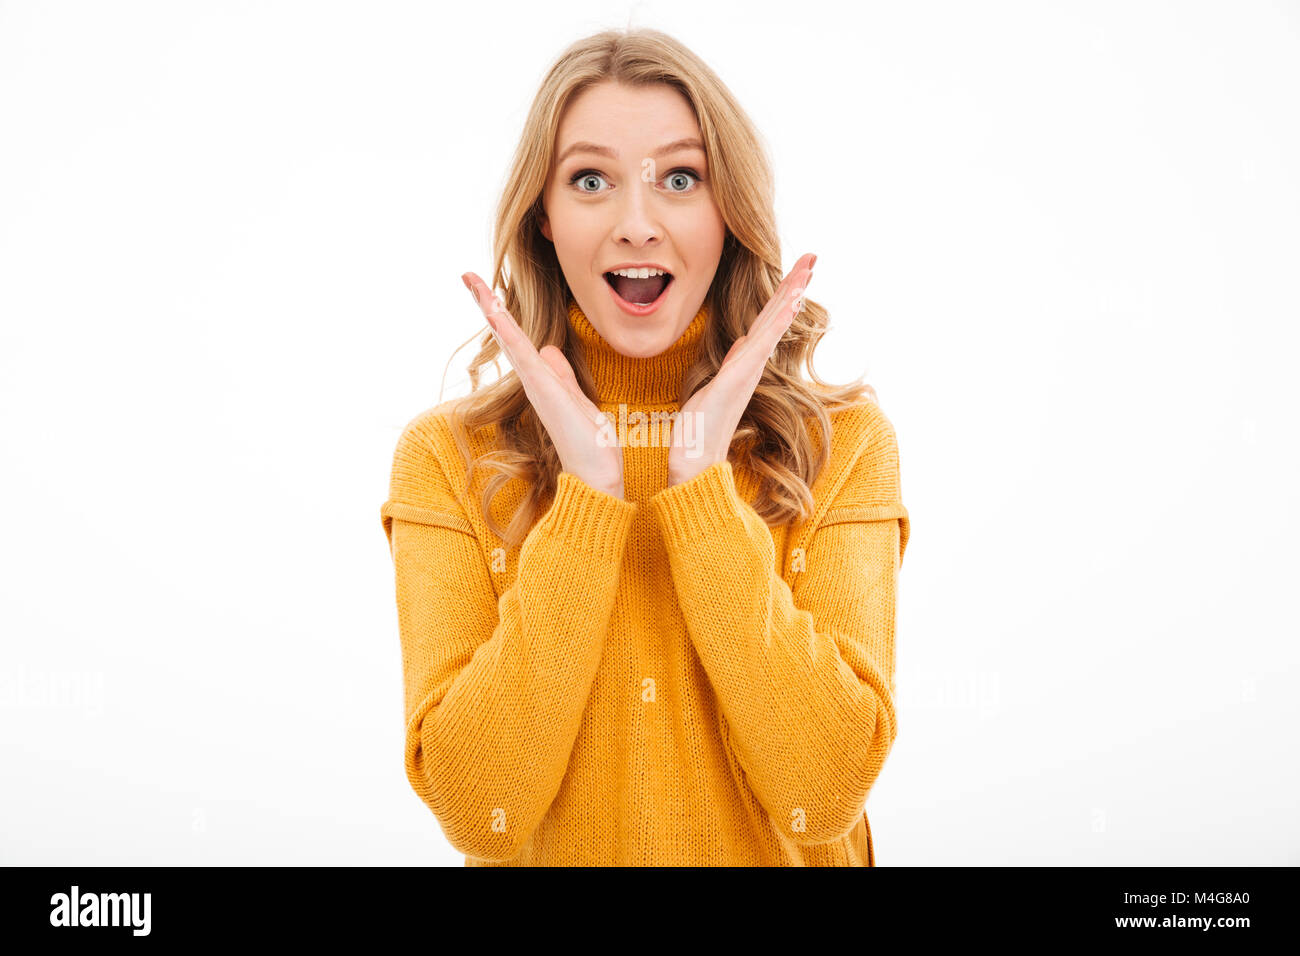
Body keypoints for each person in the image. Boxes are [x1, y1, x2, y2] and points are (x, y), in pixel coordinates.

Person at [380, 26, 910, 866]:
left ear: (728, 207)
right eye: (591, 179)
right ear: (544, 218)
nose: (637, 224)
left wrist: (698, 492)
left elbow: (823, 794)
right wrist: (590, 500)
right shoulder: (447, 459)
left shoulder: (841, 446)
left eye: (680, 178)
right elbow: (481, 806)